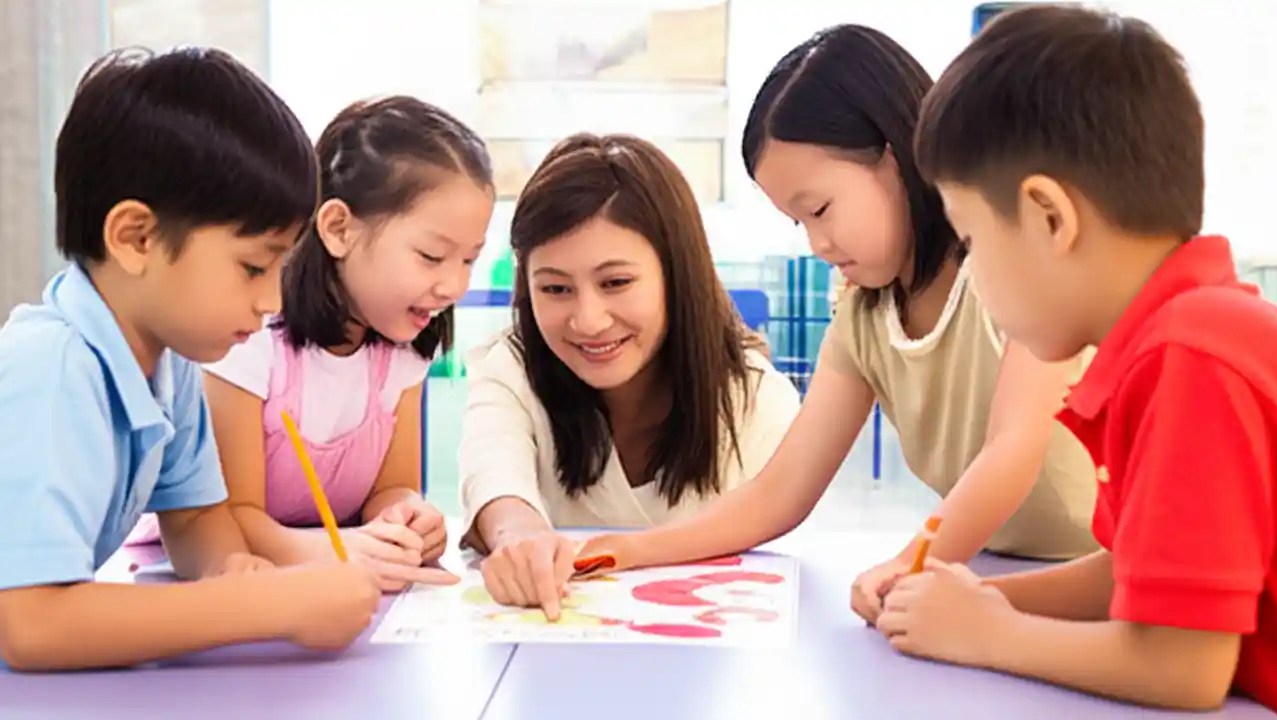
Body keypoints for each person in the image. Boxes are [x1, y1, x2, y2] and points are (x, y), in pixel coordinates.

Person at [577, 26, 1098, 621]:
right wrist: (637, 549)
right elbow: (782, 490)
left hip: (1117, 576)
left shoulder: (1011, 265)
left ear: (897, 155)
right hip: (1001, 578)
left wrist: (912, 563)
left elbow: (1014, 450)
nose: (818, 243)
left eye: (820, 209)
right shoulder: (864, 317)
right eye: (798, 223)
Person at [877, 6, 1277, 712]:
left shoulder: (1190, 356)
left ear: (1049, 218)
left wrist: (987, 635)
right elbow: (1135, 576)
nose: (970, 271)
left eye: (970, 242)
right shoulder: (1187, 333)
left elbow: (1184, 666)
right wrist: (967, 601)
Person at [0, 48, 378, 671]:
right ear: (136, 238)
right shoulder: (54, 368)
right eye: (254, 266)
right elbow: (32, 623)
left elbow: (196, 514)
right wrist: (265, 608)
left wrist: (236, 571)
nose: (272, 299)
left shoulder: (167, 365)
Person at [460, 134, 800, 620]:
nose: (589, 320)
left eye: (615, 283)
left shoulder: (755, 397)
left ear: (676, 274)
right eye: (555, 288)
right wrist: (518, 536)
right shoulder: (510, 368)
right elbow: (492, 472)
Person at [202, 96, 494, 592]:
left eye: (468, 260)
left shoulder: (401, 350)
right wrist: (336, 551)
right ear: (338, 229)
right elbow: (229, 518)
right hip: (231, 588)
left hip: (335, 597)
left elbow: (388, 488)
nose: (454, 286)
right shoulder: (249, 340)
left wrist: (406, 518)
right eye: (432, 256)